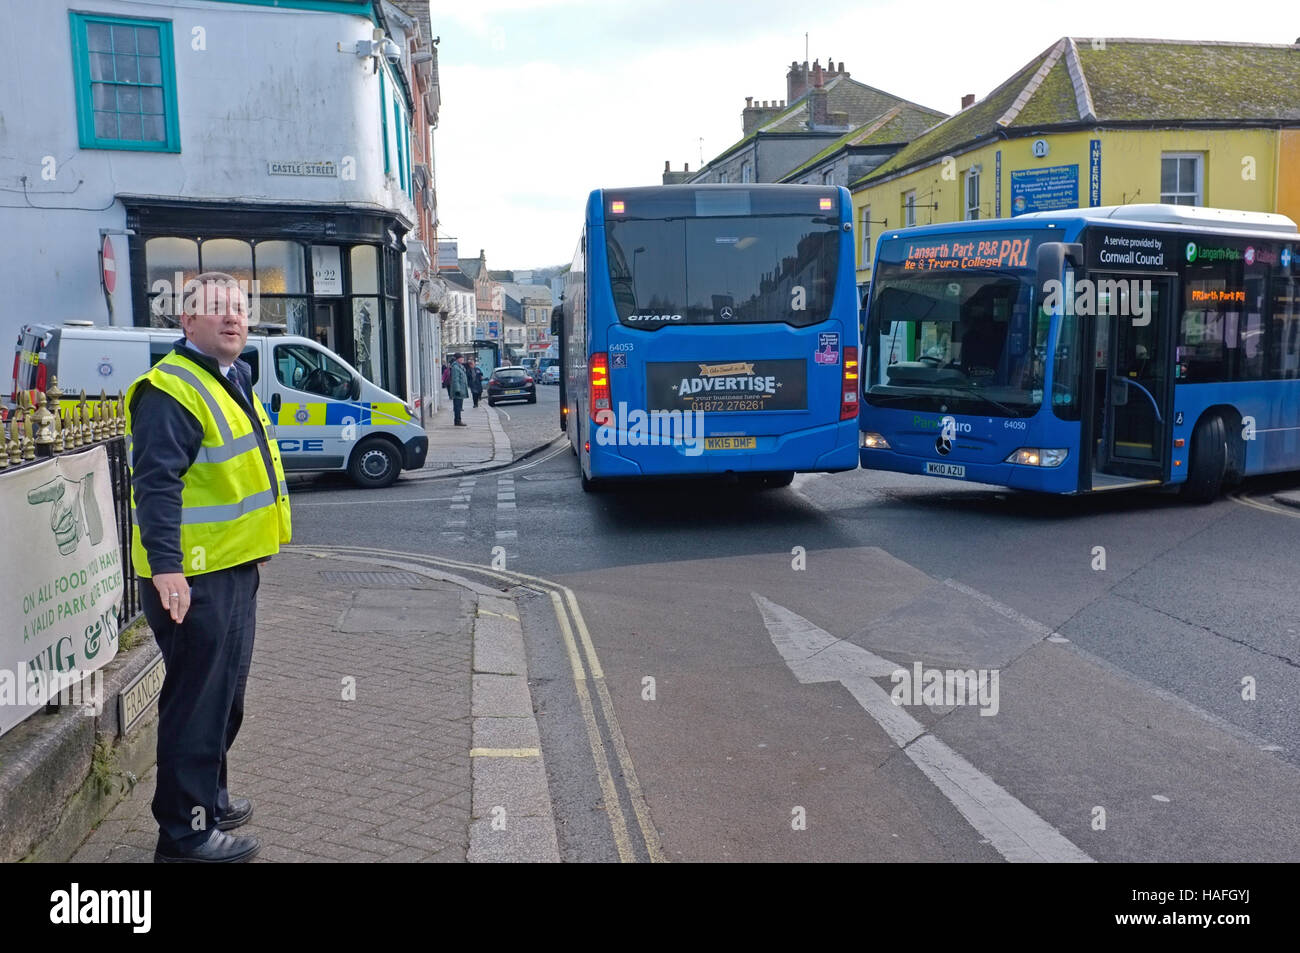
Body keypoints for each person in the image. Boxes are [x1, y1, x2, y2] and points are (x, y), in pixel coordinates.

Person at [126, 271, 292, 863]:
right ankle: (186, 834)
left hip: (232, 569)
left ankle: (210, 799)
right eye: (216, 309)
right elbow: (156, 487)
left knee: (225, 699)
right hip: (192, 580)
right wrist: (168, 569)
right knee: (196, 707)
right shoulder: (170, 391)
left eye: (240, 310)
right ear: (186, 320)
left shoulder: (231, 376)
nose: (232, 319)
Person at [449, 352, 469, 426]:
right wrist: (457, 390)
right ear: (458, 359)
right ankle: (457, 421)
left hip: (461, 389)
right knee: (457, 407)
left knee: (459, 406)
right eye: (461, 358)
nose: (463, 359)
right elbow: (455, 379)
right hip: (458, 390)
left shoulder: (460, 366)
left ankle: (458, 420)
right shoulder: (455, 367)